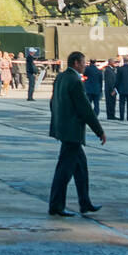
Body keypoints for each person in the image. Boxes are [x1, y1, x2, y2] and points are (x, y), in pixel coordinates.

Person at [48, 51, 106, 217]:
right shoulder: (75, 81)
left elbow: (53, 103)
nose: (84, 66)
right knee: (64, 172)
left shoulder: (60, 78)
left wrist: (59, 121)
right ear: (75, 63)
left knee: (81, 168)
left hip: (63, 130)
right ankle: (56, 206)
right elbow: (85, 109)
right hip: (72, 133)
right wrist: (99, 131)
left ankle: (84, 202)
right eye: (82, 63)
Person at [115, 56, 128, 122]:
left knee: (122, 104)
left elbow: (117, 80)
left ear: (123, 61)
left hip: (122, 89)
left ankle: (122, 117)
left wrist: (117, 88)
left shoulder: (120, 69)